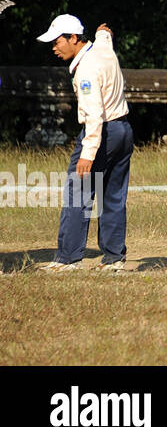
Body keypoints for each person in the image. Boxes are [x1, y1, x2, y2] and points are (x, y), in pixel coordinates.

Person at [38, 15, 134, 272]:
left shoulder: (86, 70)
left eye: (58, 41)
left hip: (102, 132)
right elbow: (104, 36)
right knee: (112, 195)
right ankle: (114, 259)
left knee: (77, 193)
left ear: (73, 38)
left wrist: (87, 154)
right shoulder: (101, 47)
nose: (54, 47)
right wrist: (105, 31)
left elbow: (94, 114)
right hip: (124, 129)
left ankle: (68, 259)